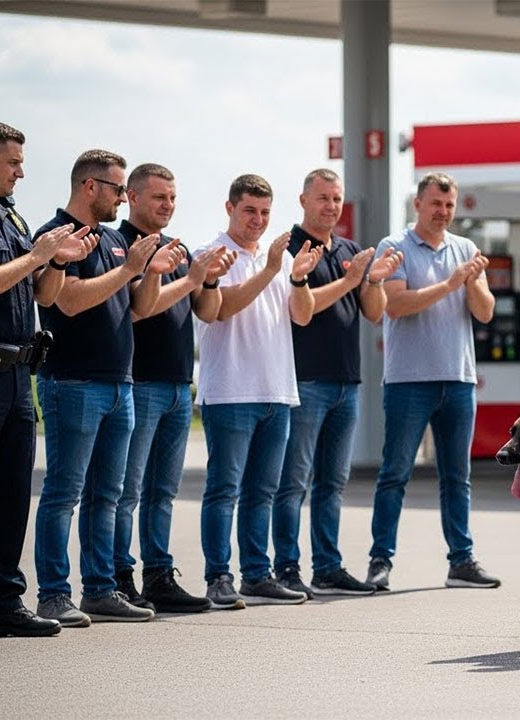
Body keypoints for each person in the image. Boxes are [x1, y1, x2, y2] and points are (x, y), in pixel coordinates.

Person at [34, 149, 183, 627]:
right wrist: (127, 270)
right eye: (118, 188)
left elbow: (138, 308)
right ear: (89, 186)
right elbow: (69, 303)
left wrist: (152, 273)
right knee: (64, 495)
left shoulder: (118, 239)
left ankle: (100, 589)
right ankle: (54, 595)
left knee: (108, 496)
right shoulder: (55, 236)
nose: (124, 196)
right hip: (74, 382)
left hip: (121, 384)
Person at [0, 122, 94, 644]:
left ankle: (3, 603)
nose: (22, 171)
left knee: (12, 496)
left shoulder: (9, 217)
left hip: (18, 377)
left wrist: (55, 263)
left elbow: (41, 297)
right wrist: (36, 256)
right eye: (14, 162)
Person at [367, 172, 501, 592]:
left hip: (458, 379)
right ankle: (380, 561)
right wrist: (450, 283)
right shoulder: (395, 247)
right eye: (435, 204)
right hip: (409, 381)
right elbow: (396, 306)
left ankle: (461, 561)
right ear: (418, 205)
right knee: (395, 474)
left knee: (456, 477)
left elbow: (485, 312)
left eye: (449, 205)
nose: (443, 212)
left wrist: (473, 281)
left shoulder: (465, 249)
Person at [112, 163, 233, 614]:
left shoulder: (178, 250)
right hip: (138, 382)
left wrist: (211, 278)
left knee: (163, 491)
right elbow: (140, 309)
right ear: (132, 196)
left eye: (173, 198)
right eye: (159, 197)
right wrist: (191, 277)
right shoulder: (121, 245)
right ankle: (119, 576)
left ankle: (159, 575)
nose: (168, 205)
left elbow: (207, 310)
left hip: (179, 385)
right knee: (127, 490)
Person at [195, 174, 321, 609]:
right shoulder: (211, 255)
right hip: (230, 391)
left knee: (262, 492)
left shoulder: (282, 259)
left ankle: (256, 574)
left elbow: (302, 318)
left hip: (277, 390)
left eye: (265, 212)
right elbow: (221, 309)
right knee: (224, 489)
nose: (258, 219)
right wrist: (270, 268)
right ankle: (218, 577)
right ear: (229, 207)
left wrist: (299, 279)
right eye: (250, 210)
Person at [272, 169, 398, 599]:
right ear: (303, 199)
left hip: (348, 381)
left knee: (333, 483)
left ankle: (327, 566)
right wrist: (349, 280)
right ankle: (286, 567)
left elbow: (374, 313)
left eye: (337, 198)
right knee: (294, 482)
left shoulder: (347, 250)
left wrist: (375, 279)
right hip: (305, 380)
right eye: (322, 197)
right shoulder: (288, 249)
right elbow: (301, 311)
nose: (330, 206)